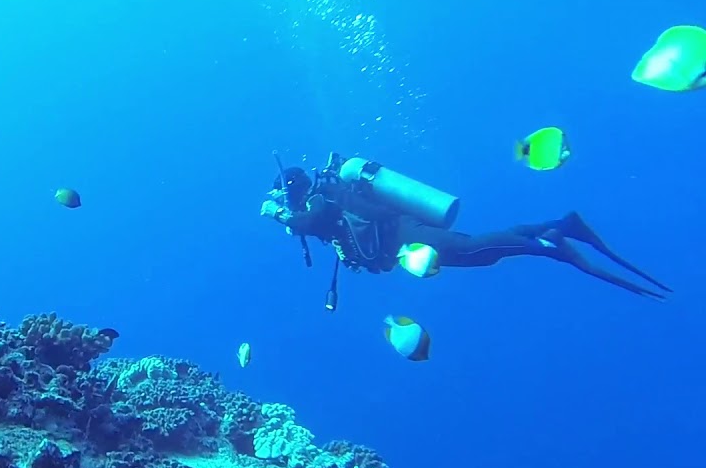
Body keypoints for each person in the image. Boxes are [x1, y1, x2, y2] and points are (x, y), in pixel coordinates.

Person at [260, 153, 672, 307]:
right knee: (481, 255)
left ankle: (551, 243)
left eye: (287, 197)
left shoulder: (325, 197)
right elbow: (320, 229)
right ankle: (558, 228)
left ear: (295, 190)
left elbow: (309, 221)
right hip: (401, 245)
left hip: (405, 237)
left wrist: (274, 214)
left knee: (473, 249)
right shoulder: (324, 202)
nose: (288, 205)